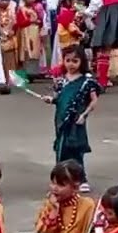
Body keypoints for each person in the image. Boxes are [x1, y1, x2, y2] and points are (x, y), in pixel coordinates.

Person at [42, 44, 99, 191]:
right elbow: (59, 98)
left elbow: (94, 100)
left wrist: (84, 115)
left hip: (77, 120)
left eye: (75, 61)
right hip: (61, 120)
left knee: (76, 149)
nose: (71, 64)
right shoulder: (61, 81)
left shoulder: (87, 81)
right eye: (68, 60)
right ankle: (61, 179)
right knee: (61, 148)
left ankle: (80, 179)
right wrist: (51, 99)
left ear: (82, 62)